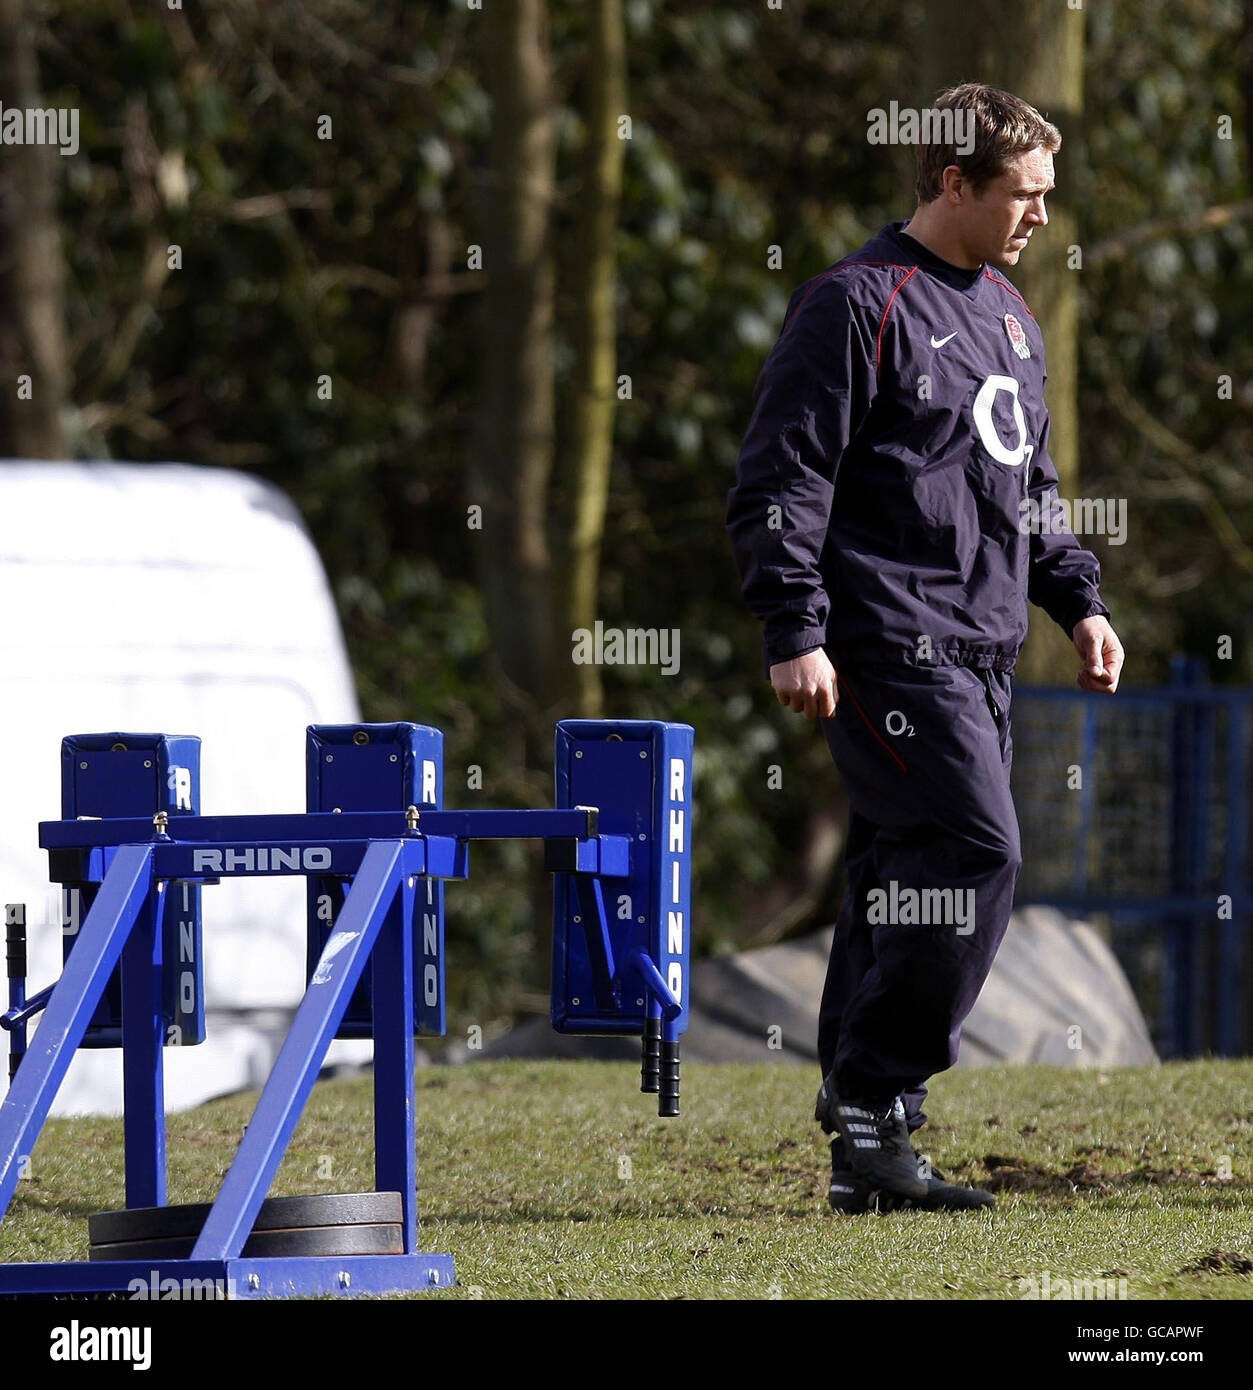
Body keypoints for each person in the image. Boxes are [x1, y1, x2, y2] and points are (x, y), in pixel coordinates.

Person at [724, 83, 1124, 1214]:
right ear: (951, 181)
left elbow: (1028, 489)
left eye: (1048, 193)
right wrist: (792, 625)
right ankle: (875, 1087)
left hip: (984, 649)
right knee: (976, 854)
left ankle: (868, 1130)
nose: (1042, 214)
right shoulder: (855, 304)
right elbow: (779, 477)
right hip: (891, 645)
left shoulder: (1008, 314)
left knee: (899, 870)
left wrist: (1078, 602)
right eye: (1023, 192)